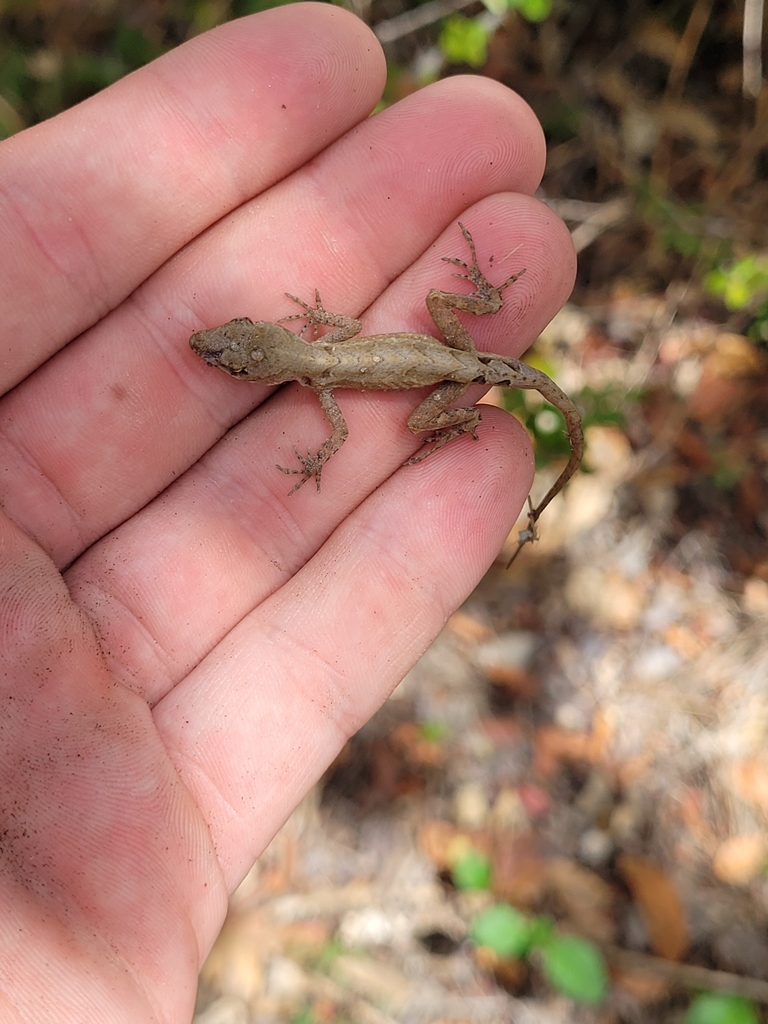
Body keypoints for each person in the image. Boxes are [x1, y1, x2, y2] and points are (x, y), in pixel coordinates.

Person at [0, 4, 575, 1020]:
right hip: (448, 351)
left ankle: (472, 392)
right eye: (234, 350)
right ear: (272, 349)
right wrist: (324, 363)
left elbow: (344, 431)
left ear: (267, 353)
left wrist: (341, 439)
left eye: (232, 349)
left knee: (416, 427)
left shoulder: (316, 383)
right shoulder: (317, 361)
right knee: (439, 356)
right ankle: (479, 316)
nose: (225, 352)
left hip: (454, 370)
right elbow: (343, 362)